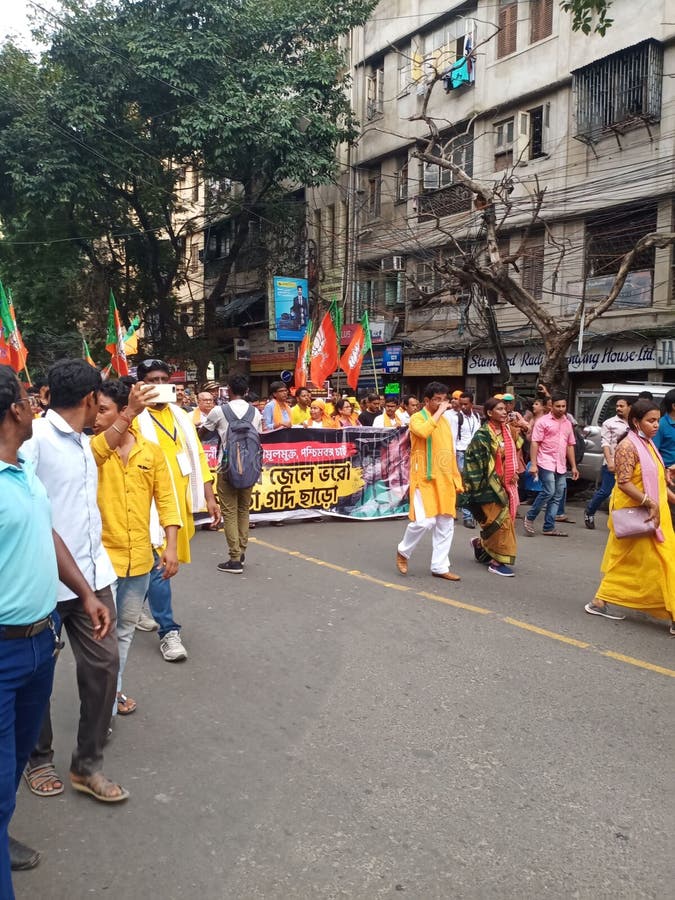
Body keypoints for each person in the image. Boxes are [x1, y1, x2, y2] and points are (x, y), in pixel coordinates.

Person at [0, 366, 113, 897]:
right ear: (12, 414)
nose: (34, 404)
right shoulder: (30, 452)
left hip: (40, 639)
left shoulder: (21, 474)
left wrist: (87, 592)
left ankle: (5, 830)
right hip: (4, 649)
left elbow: (47, 533)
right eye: (25, 399)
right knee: (2, 776)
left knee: (10, 770)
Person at [21, 359, 126, 803]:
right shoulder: (35, 441)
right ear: (89, 400)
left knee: (104, 667)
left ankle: (87, 764)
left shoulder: (85, 441)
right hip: (45, 582)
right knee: (37, 678)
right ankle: (38, 757)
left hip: (93, 578)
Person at [91, 380, 181, 715]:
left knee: (125, 632)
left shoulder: (151, 452)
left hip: (141, 559)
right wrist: (127, 414)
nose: (96, 418)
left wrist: (170, 547)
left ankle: (112, 693)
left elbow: (168, 500)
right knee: (103, 637)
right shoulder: (92, 449)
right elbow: (98, 451)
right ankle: (102, 710)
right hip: (101, 562)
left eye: (103, 410)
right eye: (95, 410)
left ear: (119, 410)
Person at [135, 359, 221, 662]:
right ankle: (169, 631)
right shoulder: (134, 417)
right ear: (141, 385)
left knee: (153, 566)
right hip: (147, 506)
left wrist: (209, 496)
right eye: (152, 380)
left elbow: (197, 454)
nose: (159, 385)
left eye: (164, 379)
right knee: (161, 568)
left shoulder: (181, 416)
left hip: (178, 501)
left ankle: (132, 608)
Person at [585, 399, 675, 633]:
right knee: (662, 563)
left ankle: (600, 600)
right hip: (638, 513)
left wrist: (669, 498)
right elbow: (624, 483)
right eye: (651, 421)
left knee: (637, 564)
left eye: (657, 420)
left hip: (656, 514)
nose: (656, 425)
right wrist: (649, 502)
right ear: (636, 422)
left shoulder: (649, 445)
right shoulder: (628, 446)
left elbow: (655, 481)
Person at [395, 382, 463, 581]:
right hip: (423, 479)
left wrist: (456, 478)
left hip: (444, 479)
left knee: (446, 523)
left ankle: (440, 566)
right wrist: (440, 411)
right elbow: (423, 432)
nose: (442, 403)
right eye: (437, 400)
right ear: (426, 401)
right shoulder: (416, 418)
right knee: (425, 522)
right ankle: (403, 551)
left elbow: (450, 451)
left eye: (444, 399)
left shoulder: (446, 420)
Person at [200, 375, 262, 574]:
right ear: (246, 391)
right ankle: (241, 551)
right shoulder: (255, 412)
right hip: (251, 467)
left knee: (229, 513)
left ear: (228, 390)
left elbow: (204, 434)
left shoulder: (219, 411)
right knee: (244, 510)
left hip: (226, 467)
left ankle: (234, 558)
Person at [460, 398, 519, 576]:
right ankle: (497, 562)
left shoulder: (508, 431)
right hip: (489, 486)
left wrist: (515, 471)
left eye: (505, 409)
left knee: (498, 523)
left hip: (508, 484)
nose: (504, 411)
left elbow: (516, 450)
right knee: (500, 523)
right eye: (499, 409)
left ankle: (480, 545)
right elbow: (475, 462)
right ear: (489, 413)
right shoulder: (483, 436)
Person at [523, 393, 579, 537]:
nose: (561, 409)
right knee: (549, 491)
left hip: (560, 464)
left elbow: (570, 445)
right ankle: (530, 517)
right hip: (545, 461)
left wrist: (573, 466)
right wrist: (534, 464)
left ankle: (548, 527)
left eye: (563, 406)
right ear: (551, 406)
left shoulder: (567, 423)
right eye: (558, 406)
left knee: (557, 495)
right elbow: (535, 443)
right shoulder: (543, 422)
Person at [584, 397, 630, 529]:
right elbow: (605, 444)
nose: (618, 408)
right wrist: (610, 461)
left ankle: (620, 521)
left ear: (629, 407)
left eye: (622, 406)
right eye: (617, 406)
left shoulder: (635, 423)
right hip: (612, 462)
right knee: (605, 491)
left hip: (628, 464)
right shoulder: (609, 423)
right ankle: (589, 511)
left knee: (624, 492)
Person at [446, 391, 482, 529]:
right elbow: (452, 438)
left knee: (465, 484)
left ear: (471, 404)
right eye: (461, 404)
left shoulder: (476, 416)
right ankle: (467, 516)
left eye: (465, 404)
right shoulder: (455, 418)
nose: (463, 407)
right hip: (460, 452)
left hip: (473, 453)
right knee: (465, 484)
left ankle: (455, 509)